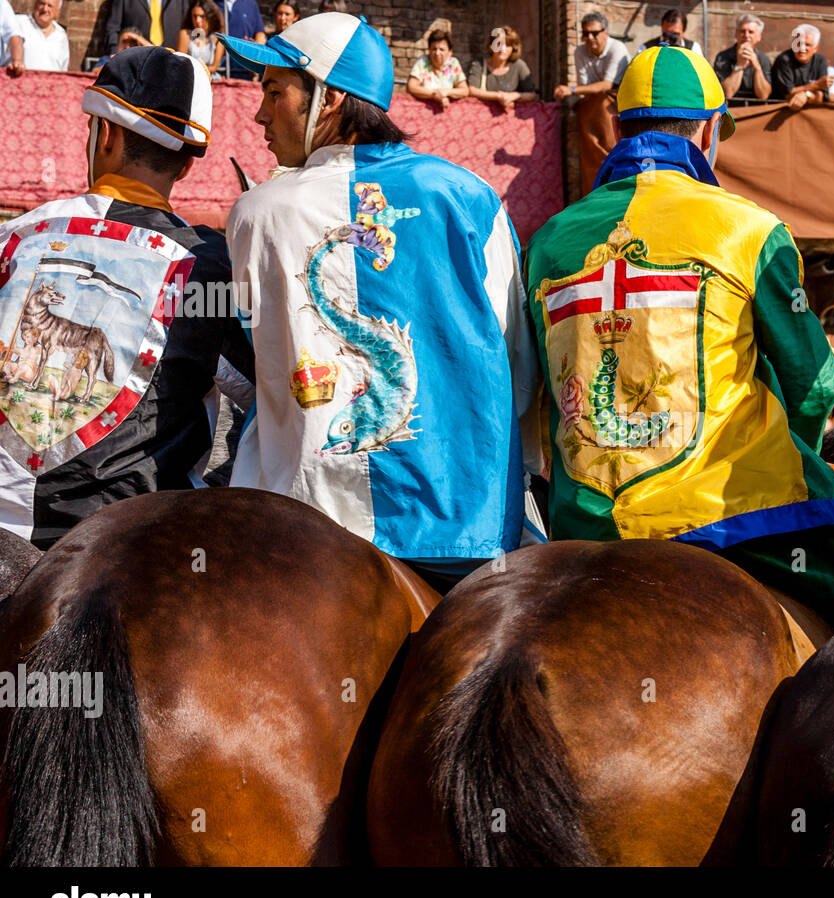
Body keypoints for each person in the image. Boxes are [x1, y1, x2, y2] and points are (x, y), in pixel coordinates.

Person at [525, 45, 834, 630]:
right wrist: (800, 457)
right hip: (728, 520)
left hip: (582, 529)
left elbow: (539, 398)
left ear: (618, 128)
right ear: (712, 129)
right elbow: (814, 383)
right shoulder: (750, 229)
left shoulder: (547, 242)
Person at [217, 13, 540, 585]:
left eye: (273, 92)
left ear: (331, 97)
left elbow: (253, 371)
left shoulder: (256, 213)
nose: (260, 113)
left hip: (302, 522)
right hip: (464, 524)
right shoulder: (470, 195)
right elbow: (516, 365)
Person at [0, 46, 253, 545]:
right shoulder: (210, 267)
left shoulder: (15, 237)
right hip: (126, 547)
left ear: (106, 134)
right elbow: (265, 395)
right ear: (183, 167)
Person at [554, 11, 629, 101]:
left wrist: (571, 90)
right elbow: (584, 87)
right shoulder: (580, 51)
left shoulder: (617, 48)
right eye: (586, 33)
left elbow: (608, 85)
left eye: (594, 33)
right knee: (572, 103)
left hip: (621, 99)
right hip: (597, 98)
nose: (590, 37)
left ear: (606, 33)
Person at [467, 25, 537, 110]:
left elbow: (531, 94)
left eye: (507, 45)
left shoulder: (519, 66)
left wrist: (514, 96)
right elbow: (472, 90)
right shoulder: (479, 64)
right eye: (498, 44)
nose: (502, 48)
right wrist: (499, 96)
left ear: (513, 48)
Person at [713, 13, 771, 104]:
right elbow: (726, 94)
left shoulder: (763, 58)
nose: (746, 35)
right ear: (736, 34)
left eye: (751, 32)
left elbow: (764, 95)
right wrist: (739, 65)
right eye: (742, 31)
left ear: (759, 37)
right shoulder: (722, 57)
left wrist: (757, 67)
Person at [771, 23, 830, 108]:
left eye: (807, 45)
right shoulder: (784, 60)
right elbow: (788, 94)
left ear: (815, 48)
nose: (802, 48)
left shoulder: (820, 61)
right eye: (798, 43)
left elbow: (821, 96)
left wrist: (807, 95)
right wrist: (816, 85)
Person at [407, 27, 467, 108]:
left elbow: (464, 90)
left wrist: (446, 92)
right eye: (434, 49)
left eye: (441, 49)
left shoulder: (453, 63)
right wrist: (434, 95)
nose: (437, 53)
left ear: (450, 52)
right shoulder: (423, 62)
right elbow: (412, 87)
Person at [7, 0, 68, 75]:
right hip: (17, 83)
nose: (45, 9)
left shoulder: (61, 35)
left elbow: (63, 69)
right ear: (35, 5)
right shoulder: (18, 23)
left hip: (49, 85)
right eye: (42, 3)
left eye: (50, 6)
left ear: (57, 11)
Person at [103, 0, 185, 51]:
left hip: (170, 59)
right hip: (137, 60)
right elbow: (112, 27)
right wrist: (113, 51)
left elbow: (188, 27)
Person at [217, 0, 264, 79]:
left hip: (245, 65)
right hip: (219, 66)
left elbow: (260, 33)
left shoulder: (250, 3)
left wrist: (254, 50)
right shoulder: (213, 4)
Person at [177, 0, 224, 75]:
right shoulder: (185, 34)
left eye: (202, 16)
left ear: (210, 17)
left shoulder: (218, 37)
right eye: (194, 16)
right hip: (190, 77)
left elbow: (214, 67)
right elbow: (180, 63)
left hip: (210, 79)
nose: (198, 20)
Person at [637, 8, 701, 56]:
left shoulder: (693, 48)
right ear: (662, 28)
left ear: (683, 31)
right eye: (667, 33)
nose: (670, 37)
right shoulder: (646, 48)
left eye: (675, 34)